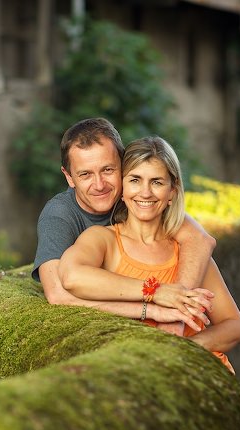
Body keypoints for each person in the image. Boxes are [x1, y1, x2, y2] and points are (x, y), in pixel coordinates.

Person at [59, 136, 240, 373]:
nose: (145, 192)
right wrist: (156, 291)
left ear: (172, 191)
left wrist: (182, 347)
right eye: (135, 180)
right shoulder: (102, 240)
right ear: (122, 189)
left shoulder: (190, 256)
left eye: (157, 182)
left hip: (204, 374)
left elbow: (234, 325)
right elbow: (72, 277)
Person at [32, 118, 216, 334]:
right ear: (69, 177)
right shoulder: (59, 215)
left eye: (108, 170)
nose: (99, 185)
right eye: (85, 174)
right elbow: (58, 296)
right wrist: (151, 306)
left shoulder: (136, 197)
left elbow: (200, 239)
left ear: (123, 166)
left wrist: (178, 305)